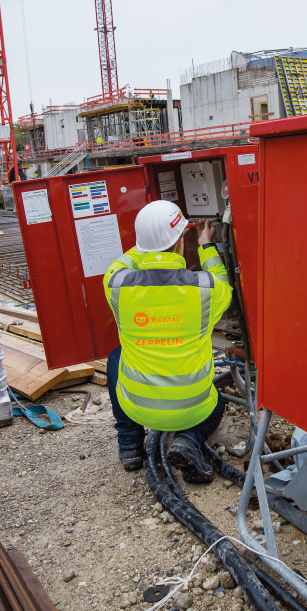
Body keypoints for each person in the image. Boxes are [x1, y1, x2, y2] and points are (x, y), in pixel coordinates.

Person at [102, 200, 232, 482]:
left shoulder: (116, 286)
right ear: (179, 242)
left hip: (136, 407)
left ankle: (129, 446)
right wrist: (205, 245)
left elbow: (121, 263)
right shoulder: (206, 290)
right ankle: (188, 439)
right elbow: (223, 281)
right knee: (218, 405)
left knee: (116, 356)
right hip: (195, 408)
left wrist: (149, 242)